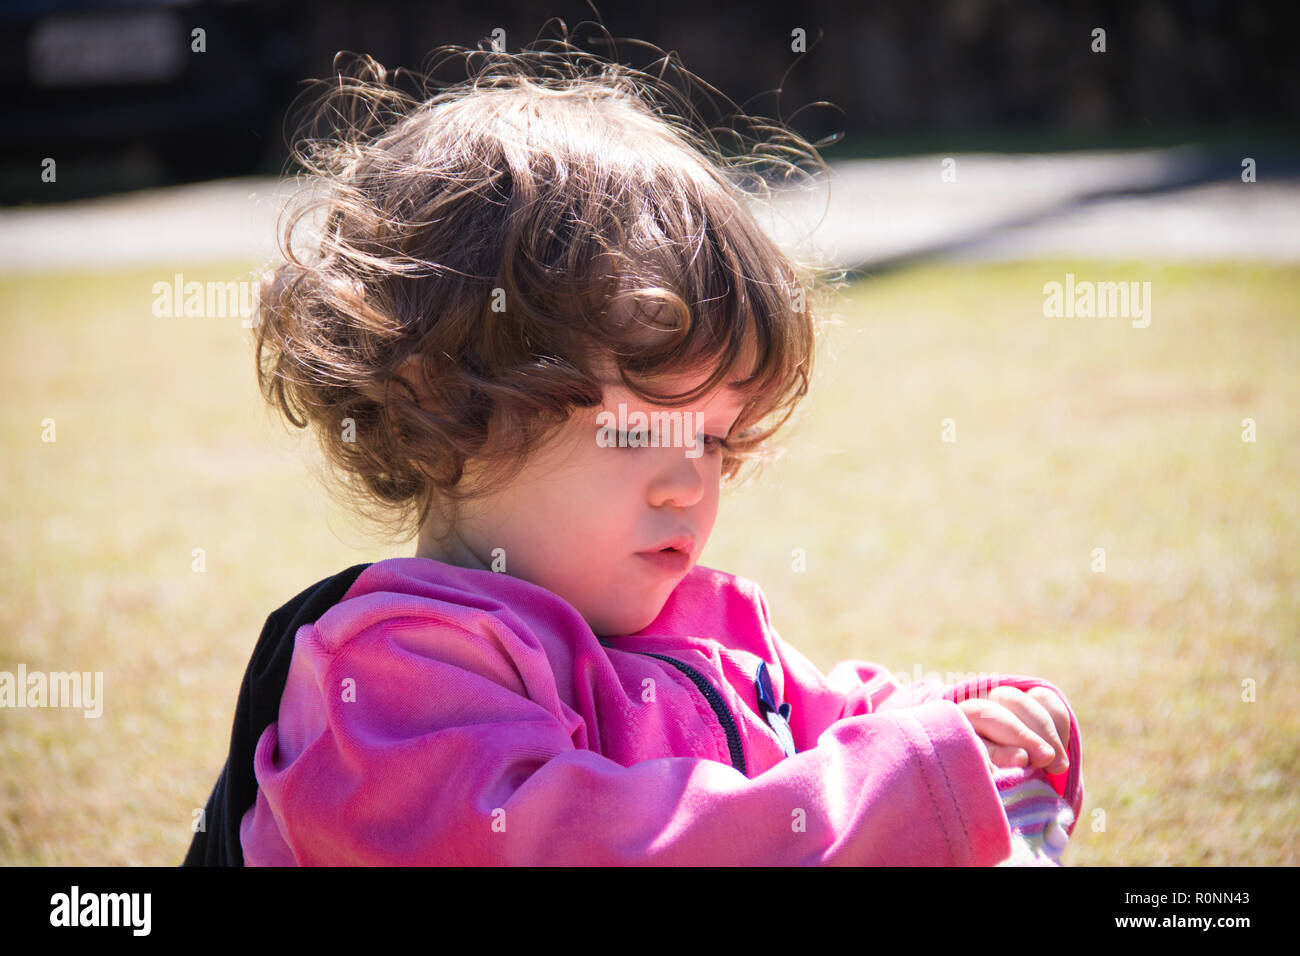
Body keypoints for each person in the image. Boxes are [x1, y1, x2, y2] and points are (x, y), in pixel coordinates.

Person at [186, 32, 1082, 866]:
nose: (690, 484)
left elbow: (826, 730)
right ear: (447, 397)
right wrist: (904, 783)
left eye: (716, 441)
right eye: (639, 430)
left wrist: (952, 724)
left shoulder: (705, 634)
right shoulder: (392, 680)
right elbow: (604, 846)